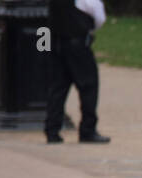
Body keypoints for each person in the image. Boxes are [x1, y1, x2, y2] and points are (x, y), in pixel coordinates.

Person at [44, 0, 108, 144]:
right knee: (89, 86)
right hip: (77, 43)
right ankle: (87, 130)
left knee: (57, 88)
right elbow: (99, 16)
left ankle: (52, 130)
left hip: (56, 42)